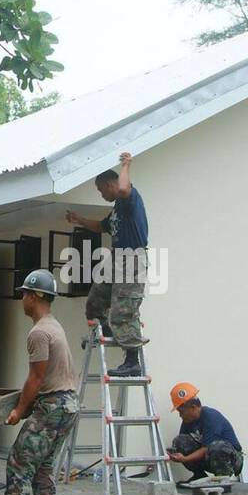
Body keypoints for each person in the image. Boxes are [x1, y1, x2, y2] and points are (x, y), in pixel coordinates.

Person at [0, 270, 78, 495]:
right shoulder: (54, 324)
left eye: (24, 294)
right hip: (68, 404)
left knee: (19, 460)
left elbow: (36, 378)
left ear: (34, 296)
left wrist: (18, 411)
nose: (21, 299)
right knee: (43, 462)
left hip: (53, 405)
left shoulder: (39, 332)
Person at [65, 151, 149, 377]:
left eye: (102, 190)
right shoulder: (117, 210)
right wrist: (79, 219)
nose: (101, 195)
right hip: (116, 258)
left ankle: (132, 361)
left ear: (111, 183)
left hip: (132, 259)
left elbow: (123, 188)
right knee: (95, 301)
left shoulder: (128, 199)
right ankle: (107, 333)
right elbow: (101, 227)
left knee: (124, 309)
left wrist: (126, 164)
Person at [166, 382, 244, 479]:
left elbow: (206, 448)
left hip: (232, 459)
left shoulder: (211, 417)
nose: (180, 415)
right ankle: (199, 476)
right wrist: (171, 454)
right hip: (209, 458)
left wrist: (185, 459)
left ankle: (223, 480)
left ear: (193, 408)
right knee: (180, 442)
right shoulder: (188, 421)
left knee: (217, 447)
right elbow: (184, 447)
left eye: (181, 411)